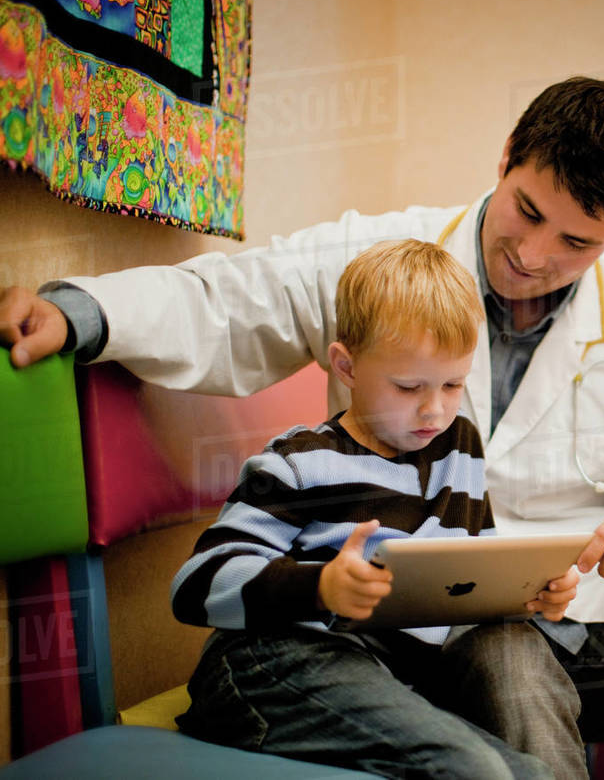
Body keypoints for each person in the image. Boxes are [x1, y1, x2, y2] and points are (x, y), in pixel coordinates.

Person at [0, 76, 604, 778]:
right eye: (526, 210)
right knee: (513, 659)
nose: (533, 254)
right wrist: (83, 312)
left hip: (597, 628)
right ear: (507, 159)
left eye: (576, 241)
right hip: (454, 642)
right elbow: (234, 299)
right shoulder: (391, 258)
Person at [170, 239, 568, 778]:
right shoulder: (300, 462)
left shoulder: (459, 447)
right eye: (408, 387)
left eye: (454, 384)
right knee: (474, 770)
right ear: (347, 367)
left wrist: (525, 593)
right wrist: (322, 587)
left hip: (381, 676)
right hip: (274, 664)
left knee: (528, 774)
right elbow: (195, 585)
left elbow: (462, 588)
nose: (435, 409)